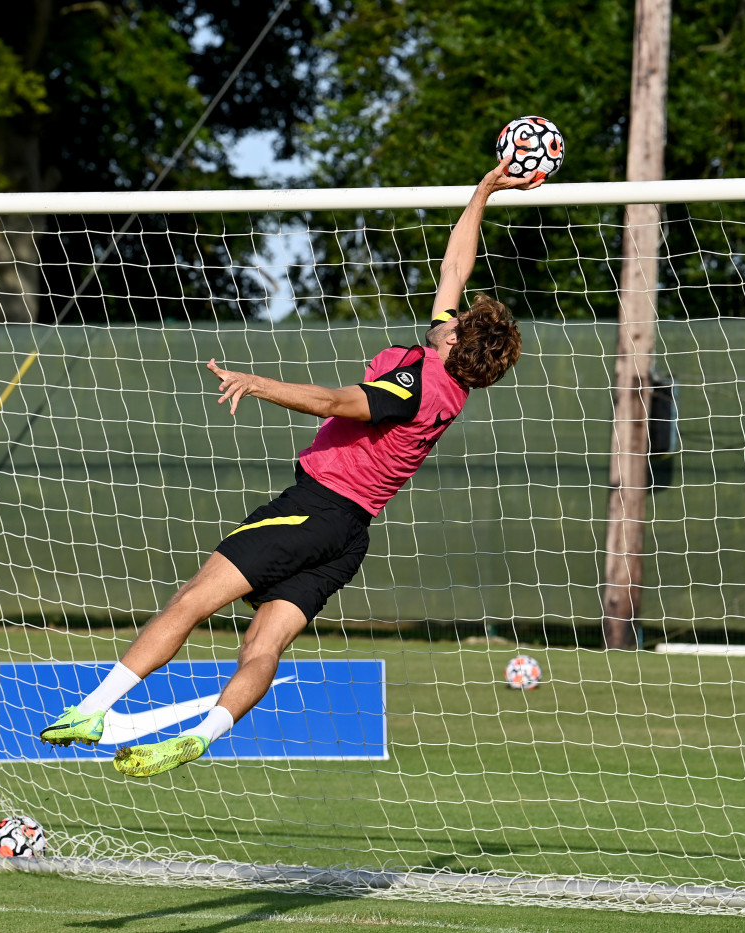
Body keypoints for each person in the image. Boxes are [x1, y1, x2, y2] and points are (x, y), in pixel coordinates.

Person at [39, 155, 542, 777]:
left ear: (455, 343)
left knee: (192, 601)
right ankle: (202, 736)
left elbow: (336, 403)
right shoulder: (452, 381)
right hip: (349, 537)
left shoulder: (416, 383)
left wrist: (256, 383)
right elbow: (455, 264)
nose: (453, 313)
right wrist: (486, 188)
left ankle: (92, 709)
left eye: (458, 320)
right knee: (261, 645)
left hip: (313, 509)